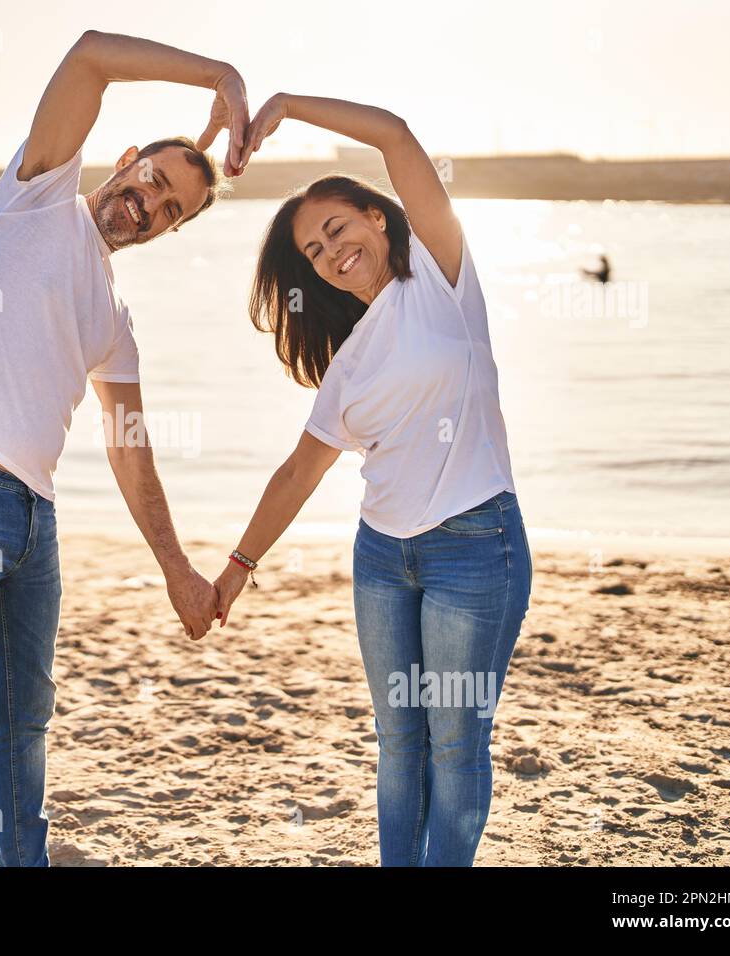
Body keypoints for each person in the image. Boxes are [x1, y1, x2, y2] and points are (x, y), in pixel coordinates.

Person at [0, 30, 249, 867]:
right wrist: (219, 77)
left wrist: (177, 569)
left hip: (33, 519)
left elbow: (130, 448)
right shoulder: (38, 191)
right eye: (152, 182)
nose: (147, 207)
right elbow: (89, 55)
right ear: (124, 160)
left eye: (169, 211)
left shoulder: (113, 320)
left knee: (25, 726)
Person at [212, 92, 532, 866]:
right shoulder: (347, 366)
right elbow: (298, 472)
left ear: (376, 217)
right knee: (398, 739)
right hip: (383, 561)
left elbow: (394, 135)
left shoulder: (443, 275)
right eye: (314, 253)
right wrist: (234, 572)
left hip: (474, 547)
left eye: (336, 229)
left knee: (455, 740)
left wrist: (286, 106)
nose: (330, 252)